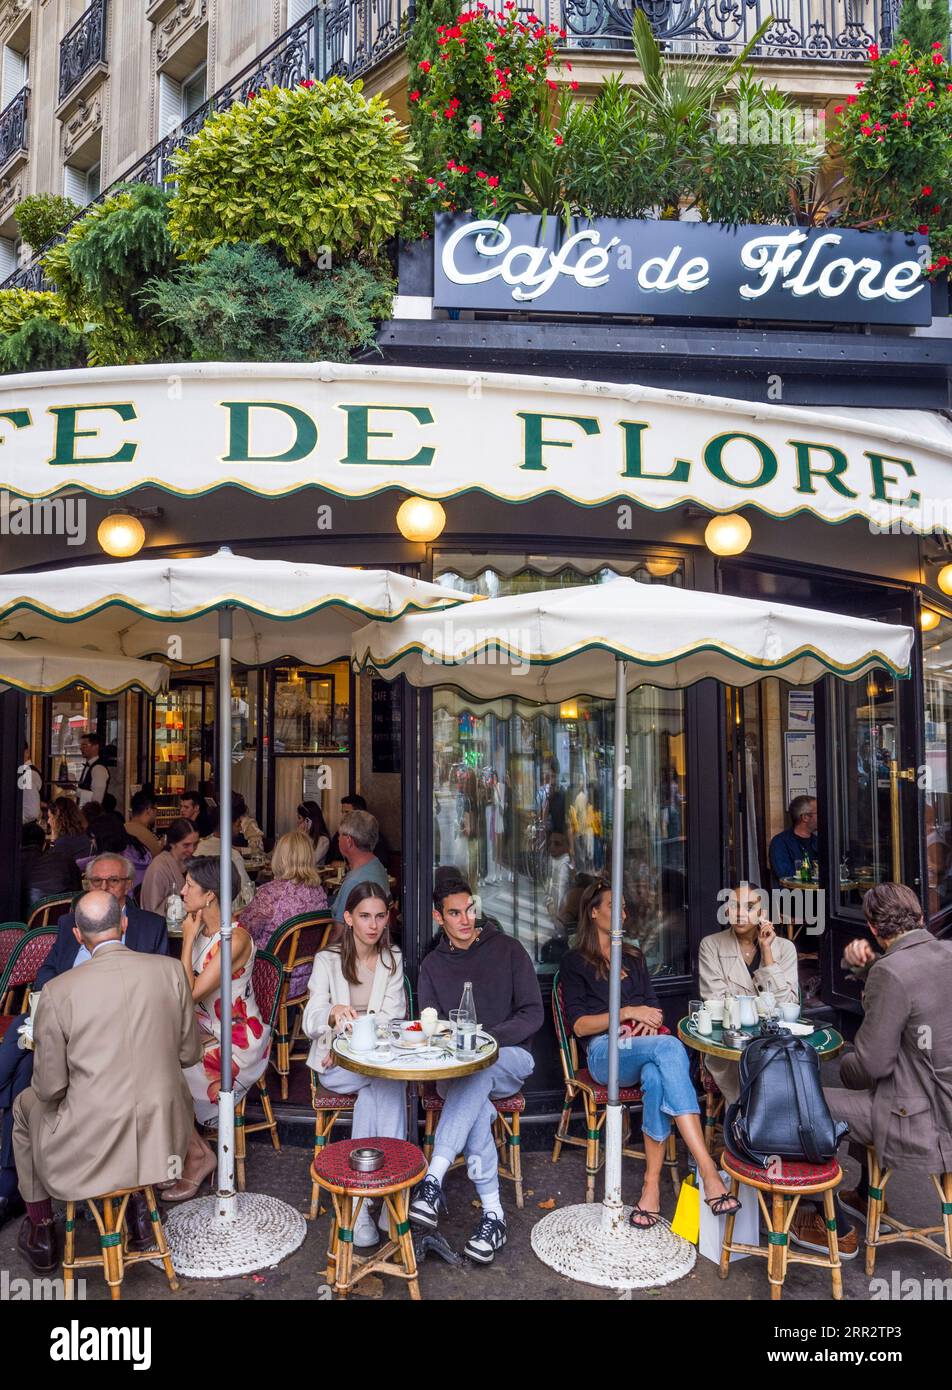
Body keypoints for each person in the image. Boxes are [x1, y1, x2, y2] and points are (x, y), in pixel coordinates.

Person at [10, 888, 194, 1273]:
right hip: (165, 1145)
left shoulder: (59, 991)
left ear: (77, 935)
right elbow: (189, 1054)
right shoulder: (171, 971)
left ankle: (42, 1230)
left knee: (25, 1106)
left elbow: (50, 1088)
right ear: (124, 924)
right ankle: (139, 1214)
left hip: (91, 1150)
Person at [0, 851, 169, 1234]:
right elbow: (47, 971)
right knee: (10, 1072)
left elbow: (150, 995)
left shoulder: (148, 927)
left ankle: (19, 1197)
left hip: (103, 1035)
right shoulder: (68, 922)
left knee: (28, 1085)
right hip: (49, 1017)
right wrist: (49, 1003)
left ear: (129, 885)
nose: (105, 888)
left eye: (113, 881)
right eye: (96, 882)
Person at [559, 878, 741, 1230]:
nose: (622, 912)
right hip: (603, 1054)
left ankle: (650, 1188)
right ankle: (707, 1169)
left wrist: (647, 1021)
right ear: (593, 912)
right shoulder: (574, 962)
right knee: (669, 1046)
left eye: (624, 907)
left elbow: (655, 1009)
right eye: (614, 906)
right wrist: (629, 1013)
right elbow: (579, 1026)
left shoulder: (634, 956)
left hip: (644, 1048)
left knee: (658, 1075)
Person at [791, 883, 952, 1258]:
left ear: (873, 929)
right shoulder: (944, 953)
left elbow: (869, 1065)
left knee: (806, 1103)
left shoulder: (891, 972)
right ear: (922, 917)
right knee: (872, 1093)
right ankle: (866, 1194)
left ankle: (829, 1222)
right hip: (942, 1101)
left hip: (921, 1119)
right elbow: (917, 1006)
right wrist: (868, 971)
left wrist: (841, 1061)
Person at [410, 875, 543, 1265]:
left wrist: (487, 1041)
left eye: (470, 909)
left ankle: (432, 1179)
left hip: (511, 1059)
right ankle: (494, 1216)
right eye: (454, 913)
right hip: (457, 1071)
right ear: (439, 917)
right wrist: (465, 1049)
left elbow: (533, 1014)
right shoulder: (433, 965)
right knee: (476, 1098)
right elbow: (430, 1025)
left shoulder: (508, 950)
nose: (466, 919)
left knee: (479, 1067)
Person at [303, 881, 407, 1248]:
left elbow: (396, 1017)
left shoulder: (391, 958)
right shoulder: (327, 960)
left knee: (379, 1087)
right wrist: (332, 1017)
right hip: (337, 1063)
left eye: (380, 916)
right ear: (349, 918)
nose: (373, 925)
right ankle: (392, 1197)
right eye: (365, 916)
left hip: (372, 1063)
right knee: (387, 1083)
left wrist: (357, 1028)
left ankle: (362, 1202)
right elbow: (310, 1016)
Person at [164, 856, 269, 1202]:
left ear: (210, 895)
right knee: (151, 1057)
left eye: (189, 885)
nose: (182, 891)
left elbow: (188, 993)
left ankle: (197, 1155)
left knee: (161, 1069)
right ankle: (183, 1152)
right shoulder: (205, 932)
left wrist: (185, 939)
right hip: (203, 1029)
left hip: (236, 1041)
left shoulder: (233, 939)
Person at [698, 882, 799, 1103]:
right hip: (729, 1047)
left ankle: (765, 1124)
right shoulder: (711, 945)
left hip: (776, 1043)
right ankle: (752, 1124)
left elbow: (788, 1005)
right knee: (758, 1070)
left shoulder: (785, 948)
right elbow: (716, 1001)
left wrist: (767, 953)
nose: (740, 913)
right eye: (734, 906)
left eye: (749, 907)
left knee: (788, 1065)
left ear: (763, 913)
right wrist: (763, 1007)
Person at [239, 830, 329, 994]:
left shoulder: (271, 894)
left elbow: (244, 930)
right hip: (307, 976)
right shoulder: (319, 893)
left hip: (269, 977)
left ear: (280, 857)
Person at [195, 796, 255, 909]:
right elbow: (246, 893)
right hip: (227, 911)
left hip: (199, 905)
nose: (240, 829)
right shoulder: (232, 855)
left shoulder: (198, 847)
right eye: (238, 824)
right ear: (230, 824)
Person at [331, 810, 390, 921]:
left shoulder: (354, 883)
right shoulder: (377, 865)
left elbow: (339, 933)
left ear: (348, 841)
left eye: (340, 835)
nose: (338, 839)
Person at [140, 817, 200, 916]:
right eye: (186, 845)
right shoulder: (158, 868)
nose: (192, 850)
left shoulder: (192, 862)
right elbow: (151, 910)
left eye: (196, 844)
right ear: (172, 843)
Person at [768, 795, 819, 884]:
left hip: (820, 895)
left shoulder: (819, 841)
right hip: (794, 897)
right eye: (818, 812)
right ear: (805, 817)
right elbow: (786, 876)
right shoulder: (780, 843)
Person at [327, 794, 391, 863]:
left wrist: (347, 866)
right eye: (342, 812)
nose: (343, 816)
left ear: (360, 814)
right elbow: (329, 859)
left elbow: (381, 863)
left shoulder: (374, 836)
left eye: (347, 812)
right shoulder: (339, 834)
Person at [125, 789, 164, 858]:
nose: (156, 813)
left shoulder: (122, 828)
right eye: (156, 809)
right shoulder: (148, 838)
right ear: (148, 810)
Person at [76, 732, 110, 808]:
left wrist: (74, 789)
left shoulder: (99, 769)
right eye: (80, 745)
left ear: (95, 747)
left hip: (93, 816)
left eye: (84, 745)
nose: (81, 748)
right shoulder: (88, 766)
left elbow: (97, 799)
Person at [297, 800, 330, 868]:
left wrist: (303, 837)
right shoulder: (303, 836)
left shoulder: (323, 840)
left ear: (308, 821)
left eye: (299, 818)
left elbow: (309, 862)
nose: (297, 822)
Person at [18, 743, 42, 825]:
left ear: (27, 753)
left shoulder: (28, 774)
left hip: (25, 828)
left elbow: (31, 812)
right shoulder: (23, 772)